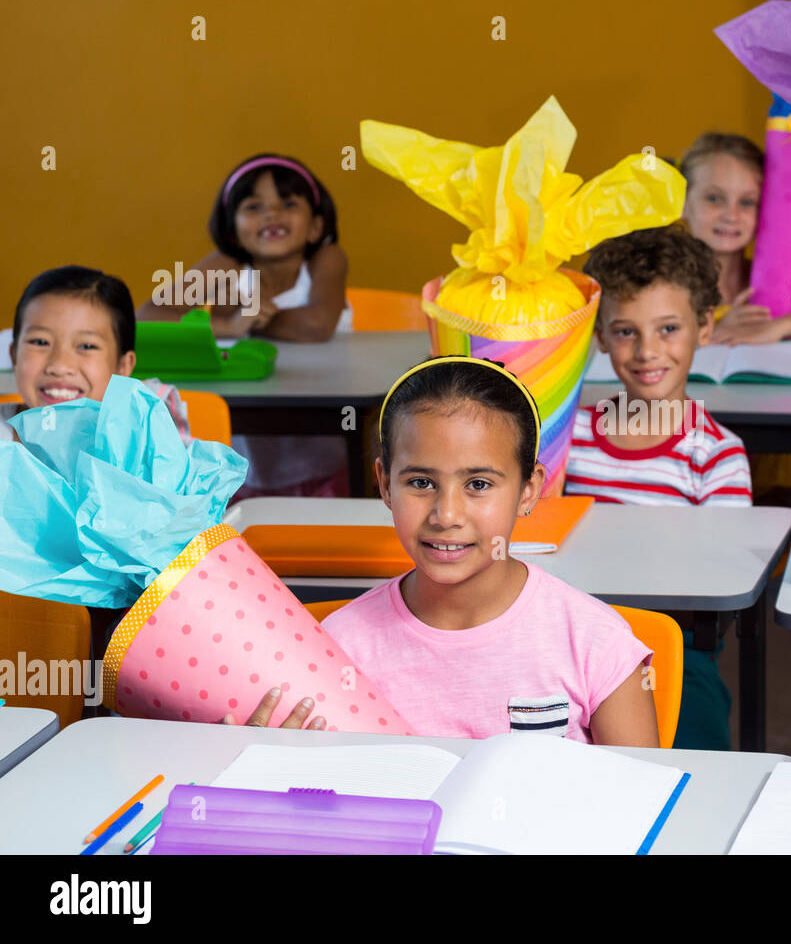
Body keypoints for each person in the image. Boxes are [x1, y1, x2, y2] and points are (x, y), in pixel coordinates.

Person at [227, 356, 659, 746]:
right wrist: (264, 760)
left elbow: (642, 800)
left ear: (529, 489)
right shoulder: (340, 646)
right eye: (420, 483)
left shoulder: (593, 642)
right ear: (384, 484)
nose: (446, 514)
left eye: (478, 485)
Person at [568, 225, 750, 750]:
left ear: (704, 327)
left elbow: (718, 580)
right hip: (569, 631)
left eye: (668, 328)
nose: (647, 351)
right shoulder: (569, 439)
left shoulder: (716, 455)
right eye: (625, 331)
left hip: (672, 642)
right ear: (599, 336)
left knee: (694, 737)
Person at [138, 154, 350, 496]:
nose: (272, 214)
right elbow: (146, 314)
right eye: (254, 206)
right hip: (241, 461)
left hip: (323, 452)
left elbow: (316, 327)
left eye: (288, 203)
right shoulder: (228, 264)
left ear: (315, 227)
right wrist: (230, 326)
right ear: (232, 230)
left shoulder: (327, 259)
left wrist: (252, 321)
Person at [677, 133, 791, 346]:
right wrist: (714, 334)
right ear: (682, 202)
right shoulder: (665, 282)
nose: (731, 215)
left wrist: (779, 327)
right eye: (714, 198)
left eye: (747, 202)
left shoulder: (784, 282)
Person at [6, 265, 188, 442]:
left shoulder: (143, 434)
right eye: (40, 342)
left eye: (86, 346)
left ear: (123, 366)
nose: (60, 366)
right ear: (14, 356)